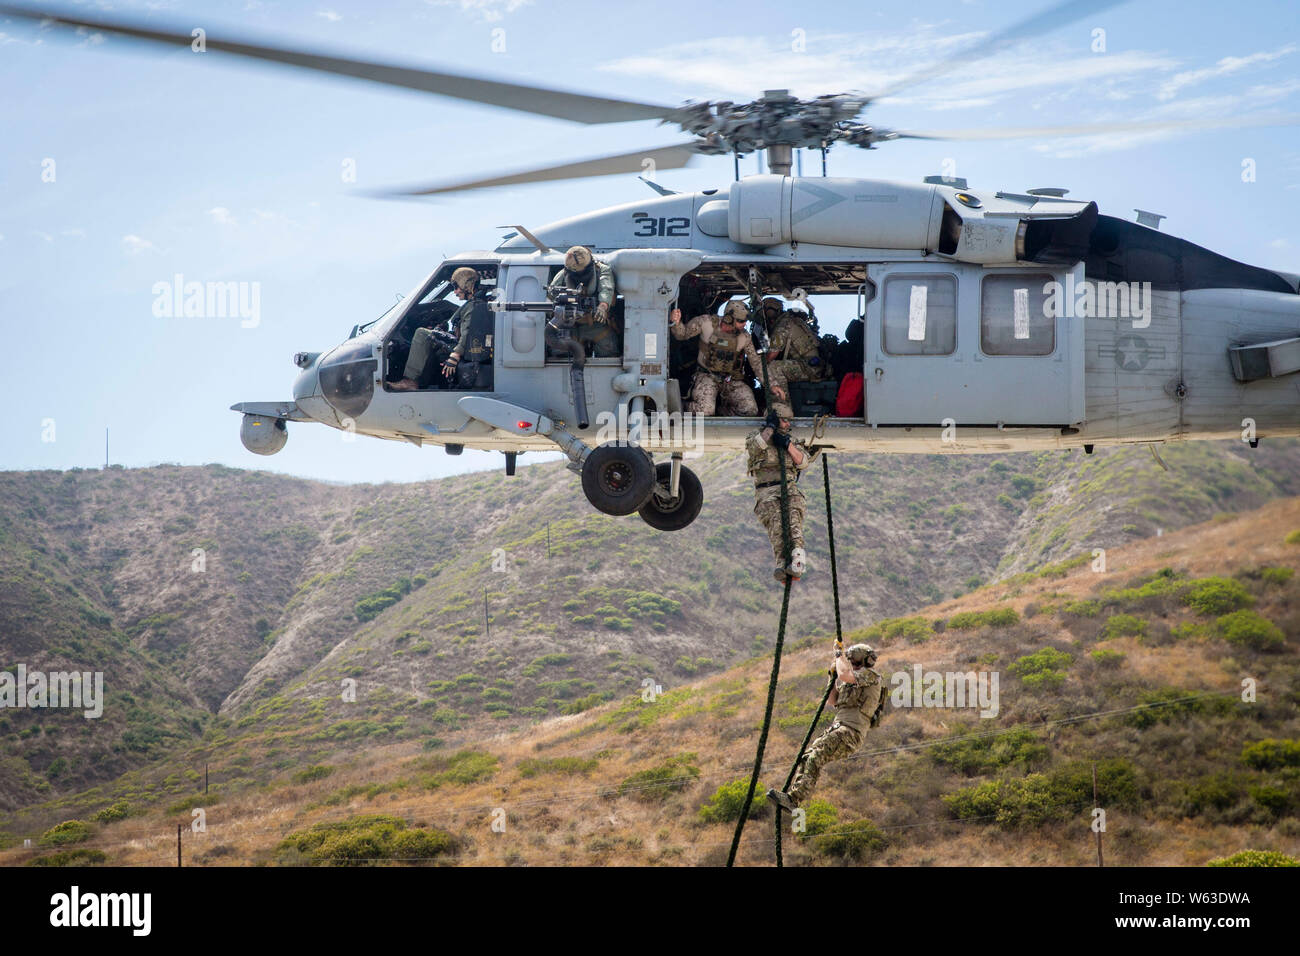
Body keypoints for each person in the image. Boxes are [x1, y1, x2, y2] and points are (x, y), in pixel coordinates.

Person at [767, 643, 884, 811]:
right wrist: (832, 677)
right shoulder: (851, 679)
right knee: (808, 757)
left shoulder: (871, 676)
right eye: (852, 662)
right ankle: (792, 798)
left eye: (856, 662)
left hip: (851, 732)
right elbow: (833, 700)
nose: (854, 665)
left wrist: (838, 655)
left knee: (816, 757)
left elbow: (845, 675)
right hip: (839, 728)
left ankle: (794, 799)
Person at [669, 299, 785, 416]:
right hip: (706, 376)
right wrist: (676, 323)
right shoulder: (706, 323)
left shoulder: (744, 337)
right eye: (741, 321)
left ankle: (721, 411)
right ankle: (680, 406)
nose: (744, 324)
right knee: (705, 411)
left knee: (750, 409)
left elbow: (757, 363)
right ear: (729, 318)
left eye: (745, 321)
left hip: (731, 380)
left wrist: (772, 384)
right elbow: (682, 334)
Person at [745, 401, 818, 581]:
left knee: (794, 528)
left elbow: (802, 461)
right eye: (784, 421)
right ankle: (781, 564)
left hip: (789, 488)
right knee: (777, 528)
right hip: (767, 492)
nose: (788, 424)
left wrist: (787, 444)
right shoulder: (756, 437)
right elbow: (757, 446)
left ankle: (797, 563)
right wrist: (770, 428)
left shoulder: (791, 441)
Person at [391, 267, 480, 390]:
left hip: (462, 349)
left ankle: (410, 381)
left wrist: (455, 355)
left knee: (422, 334)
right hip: (461, 346)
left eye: (456, 287)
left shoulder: (472, 307)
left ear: (467, 285)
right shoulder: (474, 304)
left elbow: (468, 333)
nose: (455, 292)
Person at [548, 245, 619, 358]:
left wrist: (602, 306)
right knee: (559, 353)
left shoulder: (602, 270)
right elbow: (552, 292)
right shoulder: (565, 272)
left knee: (608, 350)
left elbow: (606, 289)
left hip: (595, 323)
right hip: (569, 324)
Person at [760, 296, 832, 390]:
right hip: (814, 366)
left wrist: (756, 364)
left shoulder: (782, 326)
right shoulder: (790, 320)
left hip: (810, 368)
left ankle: (781, 402)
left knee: (771, 368)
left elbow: (771, 356)